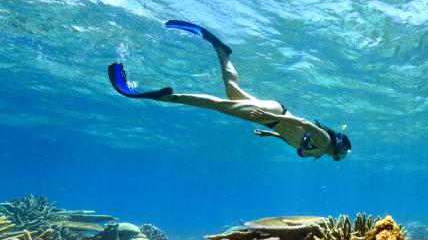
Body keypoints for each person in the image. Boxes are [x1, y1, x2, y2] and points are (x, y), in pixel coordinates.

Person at [108, 20, 351, 161]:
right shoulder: (325, 140)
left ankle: (221, 50)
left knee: (232, 90)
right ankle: (167, 96)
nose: (341, 158)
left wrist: (273, 134)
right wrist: (276, 119)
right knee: (218, 105)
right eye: (344, 153)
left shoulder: (316, 155)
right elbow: (303, 123)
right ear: (338, 145)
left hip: (272, 119)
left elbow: (293, 136)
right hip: (272, 115)